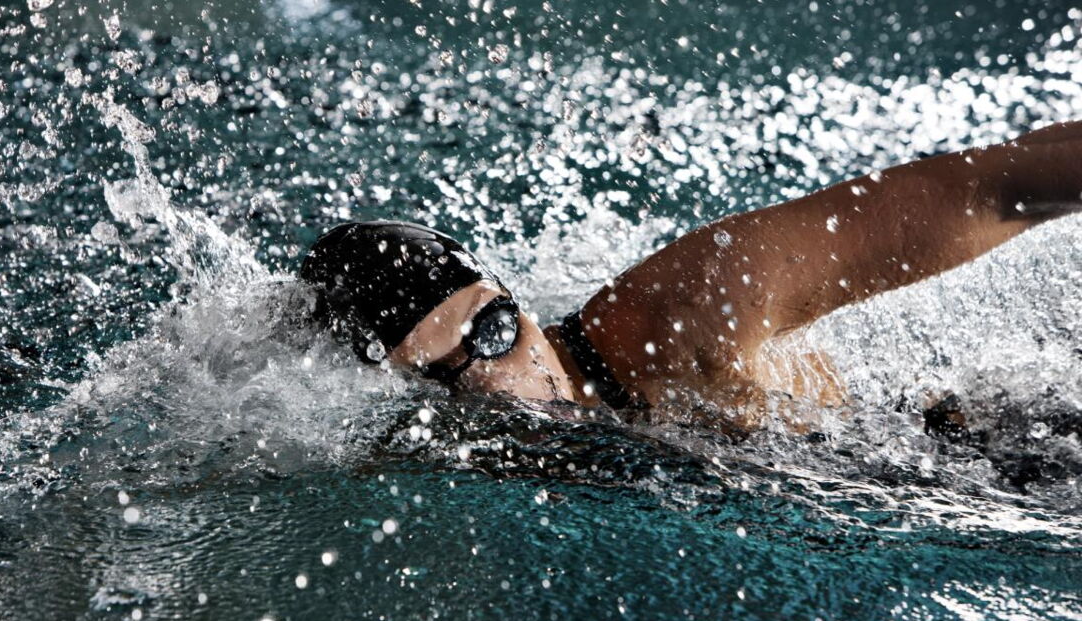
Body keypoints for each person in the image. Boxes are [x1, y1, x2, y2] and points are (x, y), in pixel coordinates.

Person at [299, 121, 1082, 426]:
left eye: (495, 332)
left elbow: (986, 188)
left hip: (983, 447)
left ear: (514, 302)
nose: (497, 384)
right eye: (445, 378)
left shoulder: (685, 309)